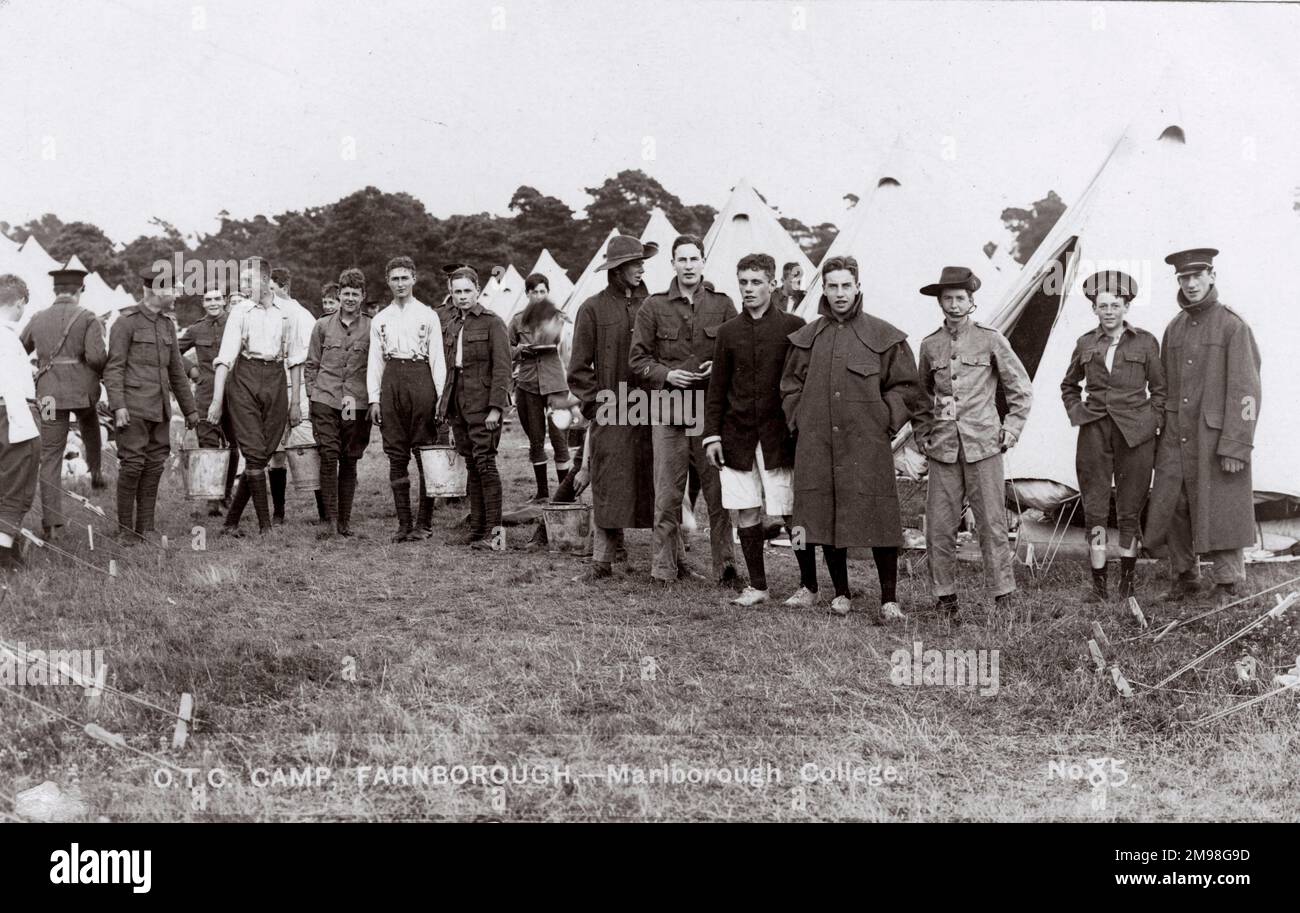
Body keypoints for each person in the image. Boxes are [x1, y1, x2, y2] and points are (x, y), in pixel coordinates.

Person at [780, 255, 920, 619]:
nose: (840, 293)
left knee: (881, 517)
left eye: (846, 285)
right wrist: (800, 420)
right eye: (832, 286)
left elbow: (906, 387)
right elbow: (789, 386)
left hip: (866, 445)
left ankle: (889, 598)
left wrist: (884, 420)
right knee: (819, 516)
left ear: (858, 286)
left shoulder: (885, 336)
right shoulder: (807, 337)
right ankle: (840, 592)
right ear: (823, 289)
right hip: (817, 444)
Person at [913, 266, 1032, 621]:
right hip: (944, 449)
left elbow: (1020, 389)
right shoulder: (929, 344)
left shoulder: (991, 339)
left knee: (992, 524)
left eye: (960, 298)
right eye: (947, 299)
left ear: (971, 302)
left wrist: (1011, 428)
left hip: (984, 445)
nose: (953, 305)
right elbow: (920, 397)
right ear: (940, 303)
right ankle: (945, 599)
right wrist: (923, 435)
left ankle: (1003, 596)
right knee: (939, 526)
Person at [1145, 248, 1262, 607]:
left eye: (1197, 276)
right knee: (1175, 504)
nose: (1191, 284)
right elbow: (1163, 385)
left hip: (1215, 438)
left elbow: (1247, 391)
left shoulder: (1232, 325)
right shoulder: (1174, 327)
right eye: (1184, 278)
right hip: (1177, 437)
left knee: (1222, 504)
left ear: (1212, 275)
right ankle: (1184, 577)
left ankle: (1228, 582)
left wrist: (1236, 445)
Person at [704, 253, 818, 607]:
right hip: (737, 436)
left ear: (773, 284)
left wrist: (799, 429)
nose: (749, 289)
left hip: (778, 437)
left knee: (790, 513)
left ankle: (809, 585)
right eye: (743, 282)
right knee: (746, 509)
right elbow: (716, 389)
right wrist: (712, 435)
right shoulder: (728, 332)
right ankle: (757, 585)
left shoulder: (794, 327)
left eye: (756, 282)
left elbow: (804, 383)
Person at [630, 234, 738, 588]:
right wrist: (667, 374)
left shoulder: (722, 305)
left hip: (709, 412)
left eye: (694, 259)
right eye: (682, 259)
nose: (689, 266)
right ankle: (663, 568)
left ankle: (727, 569)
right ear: (672, 264)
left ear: (703, 262)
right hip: (669, 409)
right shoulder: (653, 307)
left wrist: (716, 368)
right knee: (668, 492)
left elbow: (737, 353)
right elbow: (637, 360)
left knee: (718, 493)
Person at [1060, 271, 1166, 601]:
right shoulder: (1085, 343)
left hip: (1135, 433)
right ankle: (1099, 585)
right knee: (1094, 504)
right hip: (1094, 430)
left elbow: (1161, 390)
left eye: (1115, 305)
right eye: (1102, 305)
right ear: (1094, 309)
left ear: (1126, 307)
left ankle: (1128, 582)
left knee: (1130, 506)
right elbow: (1069, 385)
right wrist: (1078, 412)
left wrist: (1151, 421)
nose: (1109, 311)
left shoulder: (1146, 341)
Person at [567, 235, 658, 580]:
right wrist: (597, 406)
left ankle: (670, 561)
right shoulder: (591, 308)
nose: (641, 267)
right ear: (617, 270)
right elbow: (577, 368)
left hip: (652, 408)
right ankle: (602, 562)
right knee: (607, 482)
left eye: (641, 262)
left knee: (659, 484)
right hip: (612, 409)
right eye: (634, 263)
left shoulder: (653, 304)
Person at [208, 257, 306, 536]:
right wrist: (217, 400)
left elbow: (296, 360)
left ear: (265, 280)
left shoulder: (289, 313)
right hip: (244, 381)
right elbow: (225, 359)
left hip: (276, 381)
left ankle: (230, 524)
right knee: (253, 452)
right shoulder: (240, 311)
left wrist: (296, 402)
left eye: (248, 280)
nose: (244, 285)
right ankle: (265, 526)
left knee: (261, 456)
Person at [104, 269, 199, 544]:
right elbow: (114, 368)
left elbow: (177, 372)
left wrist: (190, 410)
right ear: (158, 291)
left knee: (155, 466)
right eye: (174, 288)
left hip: (160, 411)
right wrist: (118, 406)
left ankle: (146, 527)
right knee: (132, 466)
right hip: (132, 410)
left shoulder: (167, 324)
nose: (178, 293)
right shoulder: (125, 322)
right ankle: (125, 531)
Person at [20, 260, 108, 540]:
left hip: (48, 395)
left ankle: (53, 522)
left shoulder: (37, 317)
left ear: (55, 290)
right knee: (90, 422)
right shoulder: (89, 317)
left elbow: (21, 348)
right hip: (82, 392)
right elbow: (95, 358)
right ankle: (95, 470)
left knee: (50, 455)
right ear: (80, 288)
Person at [367, 256, 447, 542]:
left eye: (404, 278)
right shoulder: (380, 319)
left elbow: (438, 358)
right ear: (387, 281)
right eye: (394, 279)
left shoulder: (428, 315)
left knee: (425, 452)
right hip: (392, 379)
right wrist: (374, 399)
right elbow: (375, 362)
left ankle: (424, 522)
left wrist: (439, 397)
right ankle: (404, 523)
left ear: (414, 279)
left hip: (421, 376)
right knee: (396, 454)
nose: (400, 283)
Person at [437, 267, 511, 548]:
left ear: (478, 291)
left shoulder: (493, 323)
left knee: (486, 464)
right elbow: (449, 368)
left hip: (484, 404)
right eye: (457, 292)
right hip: (459, 402)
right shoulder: (453, 323)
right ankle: (478, 529)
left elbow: (502, 369)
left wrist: (496, 408)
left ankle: (496, 537)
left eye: (467, 291)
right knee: (472, 465)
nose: (462, 297)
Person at [305, 268, 372, 539]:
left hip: (355, 401)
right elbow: (311, 364)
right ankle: (330, 522)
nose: (350, 299)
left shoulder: (372, 326)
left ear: (363, 296)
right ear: (339, 295)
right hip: (326, 398)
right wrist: (313, 394)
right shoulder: (322, 325)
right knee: (328, 455)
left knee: (349, 459)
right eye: (346, 294)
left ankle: (345, 522)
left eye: (355, 294)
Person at [509, 274, 572, 503]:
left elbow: (566, 348)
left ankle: (565, 496)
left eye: (542, 291)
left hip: (555, 383)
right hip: (527, 384)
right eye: (533, 292)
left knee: (559, 438)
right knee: (535, 439)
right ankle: (542, 494)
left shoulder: (558, 317)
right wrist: (522, 349)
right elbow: (506, 349)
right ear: (527, 294)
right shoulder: (517, 320)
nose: (538, 296)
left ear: (548, 293)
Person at [268, 268, 323, 525]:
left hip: (298, 390)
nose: (267, 295)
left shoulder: (302, 316)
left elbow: (307, 361)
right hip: (272, 391)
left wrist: (299, 400)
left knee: (307, 447)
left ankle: (324, 511)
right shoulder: (266, 315)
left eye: (271, 289)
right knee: (276, 452)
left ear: (284, 287)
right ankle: (279, 512)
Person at [179, 285, 238, 516]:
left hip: (235, 392)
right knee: (208, 444)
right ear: (203, 303)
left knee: (234, 445)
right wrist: (192, 369)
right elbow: (173, 351)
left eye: (217, 298)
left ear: (224, 301)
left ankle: (226, 492)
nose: (213, 303)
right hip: (205, 393)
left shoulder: (236, 323)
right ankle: (212, 499)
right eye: (208, 299)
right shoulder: (196, 329)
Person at [0, 275, 40, 572]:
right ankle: (3, 555)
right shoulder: (8, 338)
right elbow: (12, 388)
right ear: (20, 302)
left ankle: (8, 548)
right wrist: (25, 428)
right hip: (12, 415)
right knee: (16, 486)